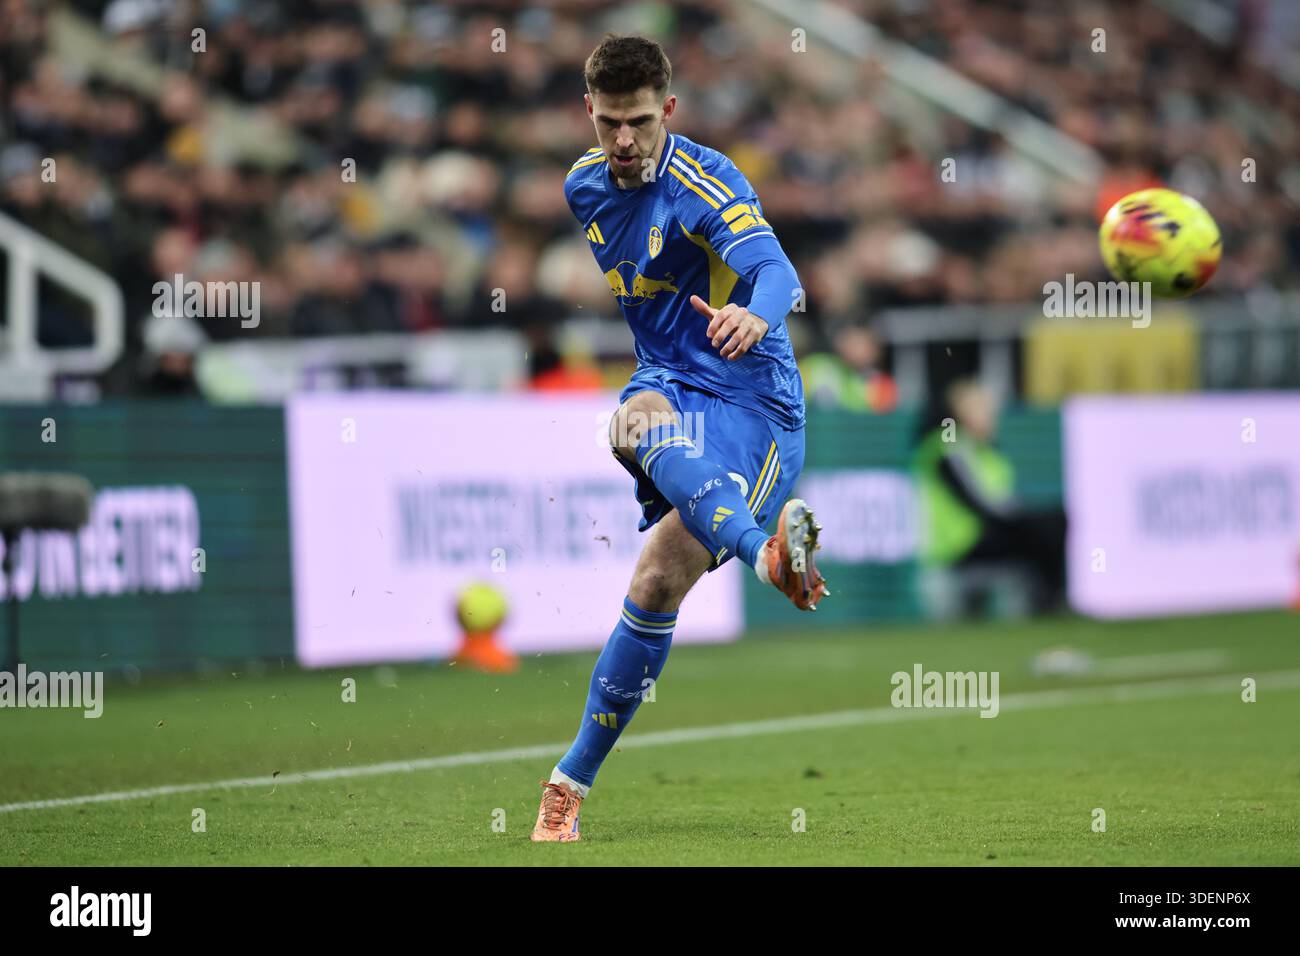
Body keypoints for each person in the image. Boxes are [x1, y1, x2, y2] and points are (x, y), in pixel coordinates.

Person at [530, 35, 828, 843]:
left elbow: (778, 274)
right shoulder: (584, 188)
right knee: (630, 418)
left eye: (636, 122)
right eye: (606, 124)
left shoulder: (707, 181)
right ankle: (769, 557)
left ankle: (568, 781)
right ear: (587, 115)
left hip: (753, 405)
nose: (621, 142)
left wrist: (753, 313)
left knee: (659, 577)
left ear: (667, 110)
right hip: (667, 379)